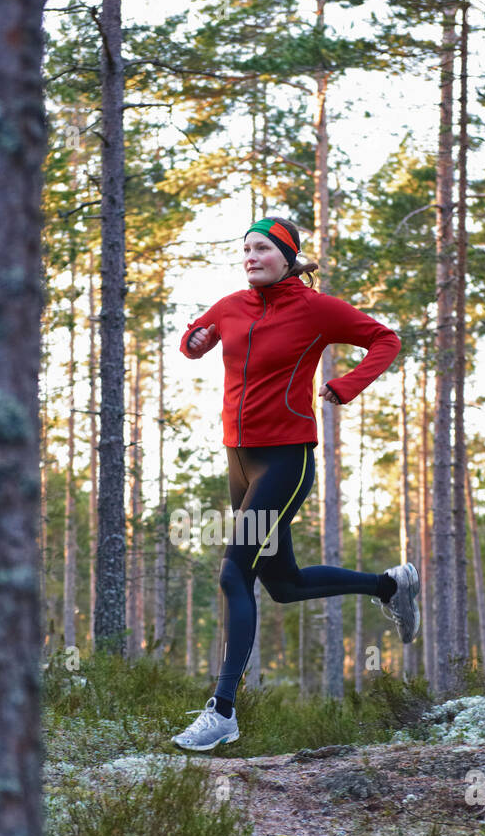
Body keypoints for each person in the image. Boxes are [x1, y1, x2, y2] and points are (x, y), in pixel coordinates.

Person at [172, 215, 420, 752]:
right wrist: (196, 339)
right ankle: (391, 585)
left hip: (285, 460)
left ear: (286, 256)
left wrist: (346, 384)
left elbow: (385, 338)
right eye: (245, 250)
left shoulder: (316, 308)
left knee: (233, 573)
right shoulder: (230, 306)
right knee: (283, 585)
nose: (250, 257)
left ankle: (223, 710)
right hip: (239, 461)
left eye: (261, 248)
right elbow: (194, 344)